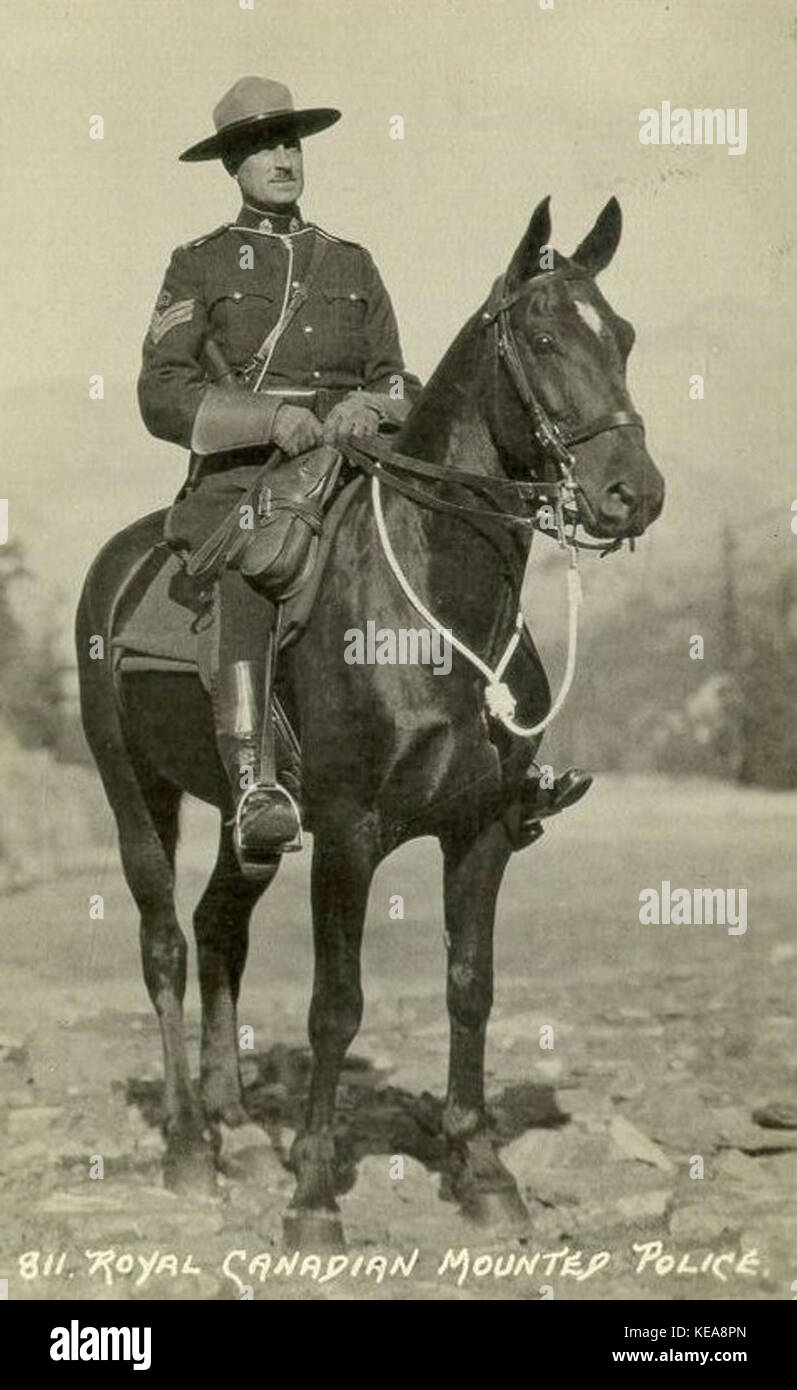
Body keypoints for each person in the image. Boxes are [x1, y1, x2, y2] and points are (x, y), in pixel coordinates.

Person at [138, 75, 590, 874]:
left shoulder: (348, 262)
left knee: (461, 543)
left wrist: (367, 410)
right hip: (244, 480)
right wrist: (271, 419)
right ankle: (255, 783)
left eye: (289, 142)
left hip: (349, 465)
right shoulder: (199, 267)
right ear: (231, 165)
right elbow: (163, 393)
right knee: (258, 557)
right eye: (259, 146)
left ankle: (510, 760)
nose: (280, 157)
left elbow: (394, 379)